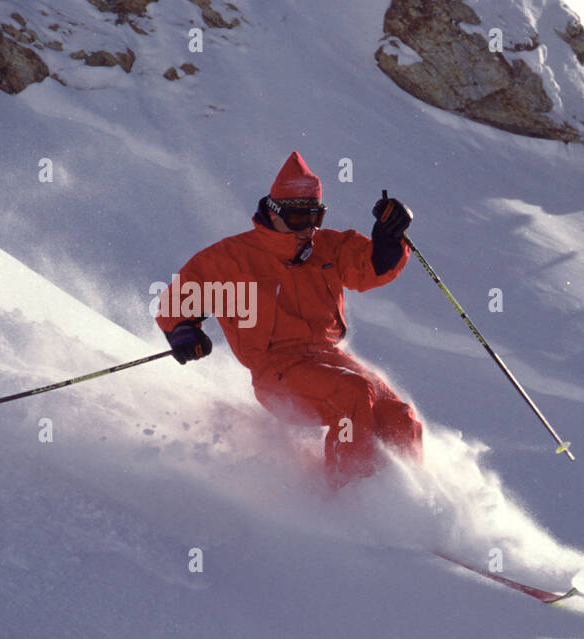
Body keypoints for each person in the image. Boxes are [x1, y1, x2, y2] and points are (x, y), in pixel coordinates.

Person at [154, 151, 424, 488]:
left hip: (328, 358)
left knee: (399, 415)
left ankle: (411, 502)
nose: (308, 228)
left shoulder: (329, 247)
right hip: (276, 371)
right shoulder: (232, 258)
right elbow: (178, 300)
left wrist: (388, 236)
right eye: (299, 219)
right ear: (274, 211)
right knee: (353, 393)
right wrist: (183, 332)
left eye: (316, 216)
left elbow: (371, 268)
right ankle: (352, 499)